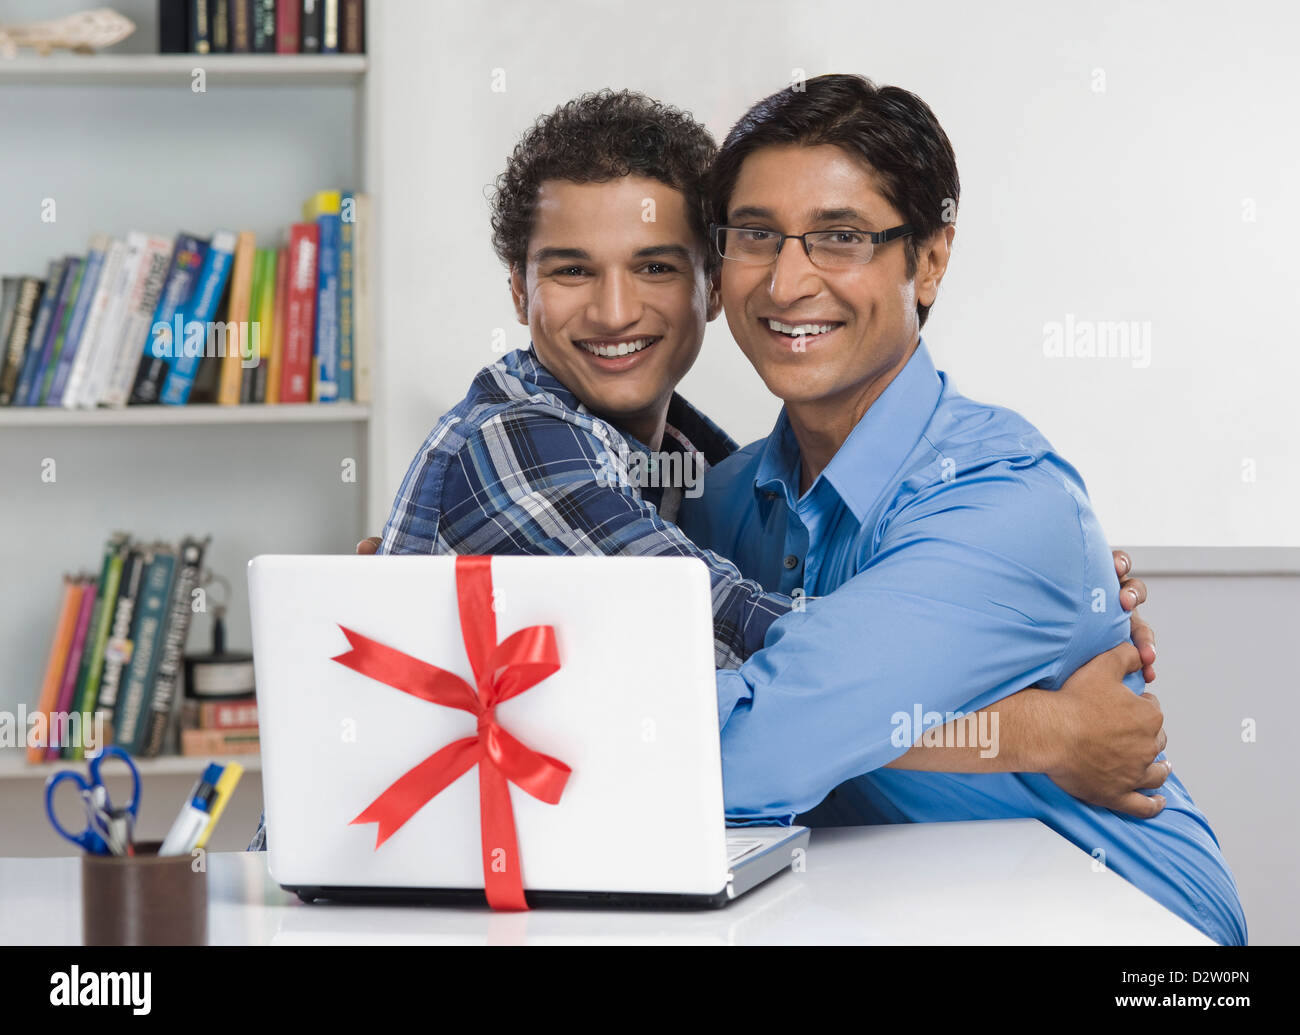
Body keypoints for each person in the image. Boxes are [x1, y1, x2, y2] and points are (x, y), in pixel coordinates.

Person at [249, 88, 1185, 925]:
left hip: (1105, 907)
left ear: (929, 260)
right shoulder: (563, 455)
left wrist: (1044, 575)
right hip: (401, 899)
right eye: (572, 270)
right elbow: (747, 727)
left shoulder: (723, 476)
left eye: (655, 265)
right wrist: (1037, 728)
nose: (787, 280)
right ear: (518, 289)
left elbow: (745, 726)